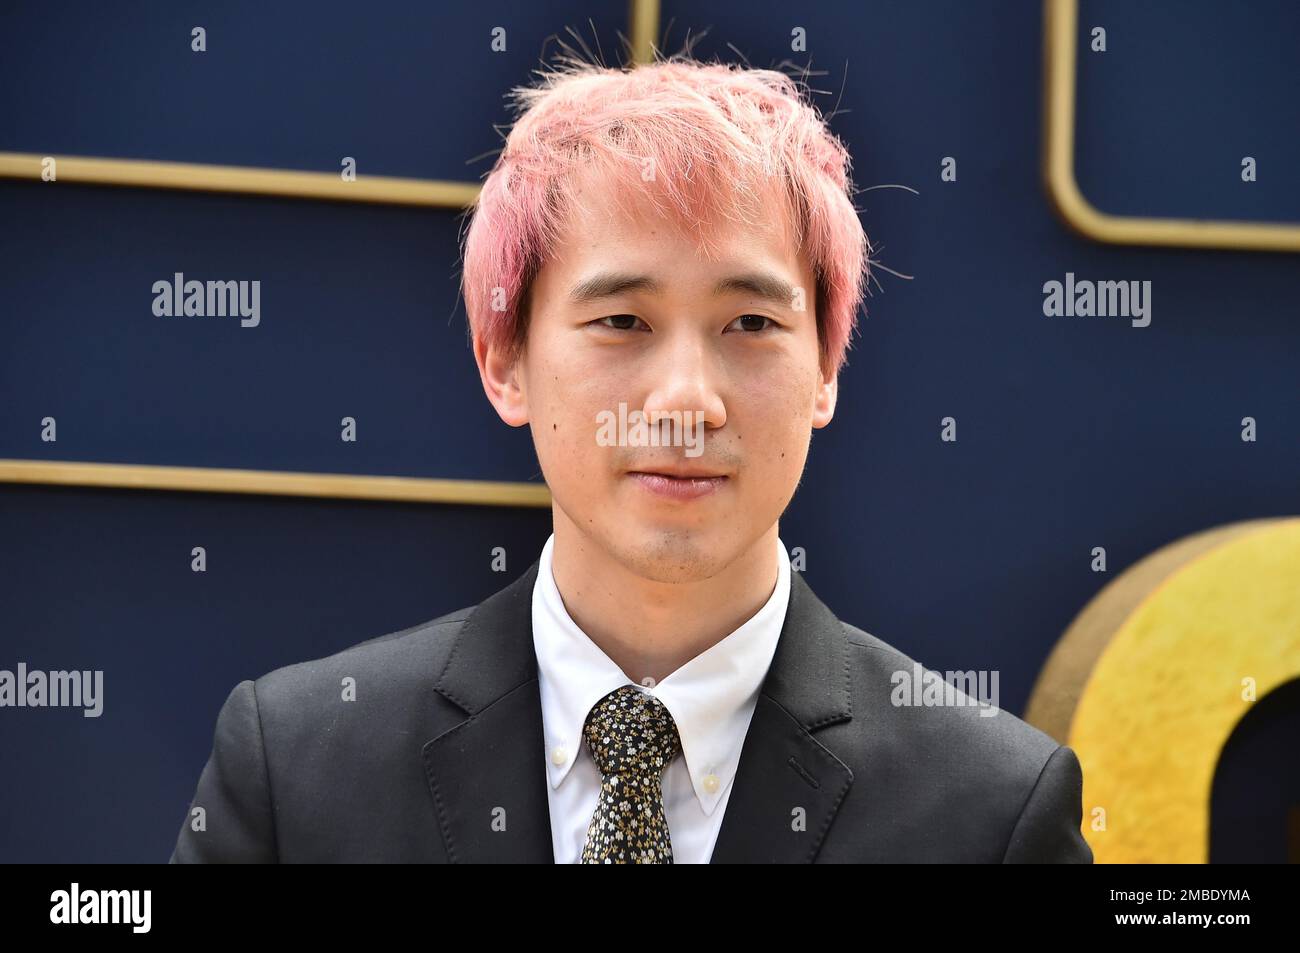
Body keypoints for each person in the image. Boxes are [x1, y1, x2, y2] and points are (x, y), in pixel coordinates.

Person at [171, 52, 1091, 864]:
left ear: (825, 368)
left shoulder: (993, 810)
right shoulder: (297, 767)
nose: (688, 398)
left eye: (751, 323)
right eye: (622, 320)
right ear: (506, 361)